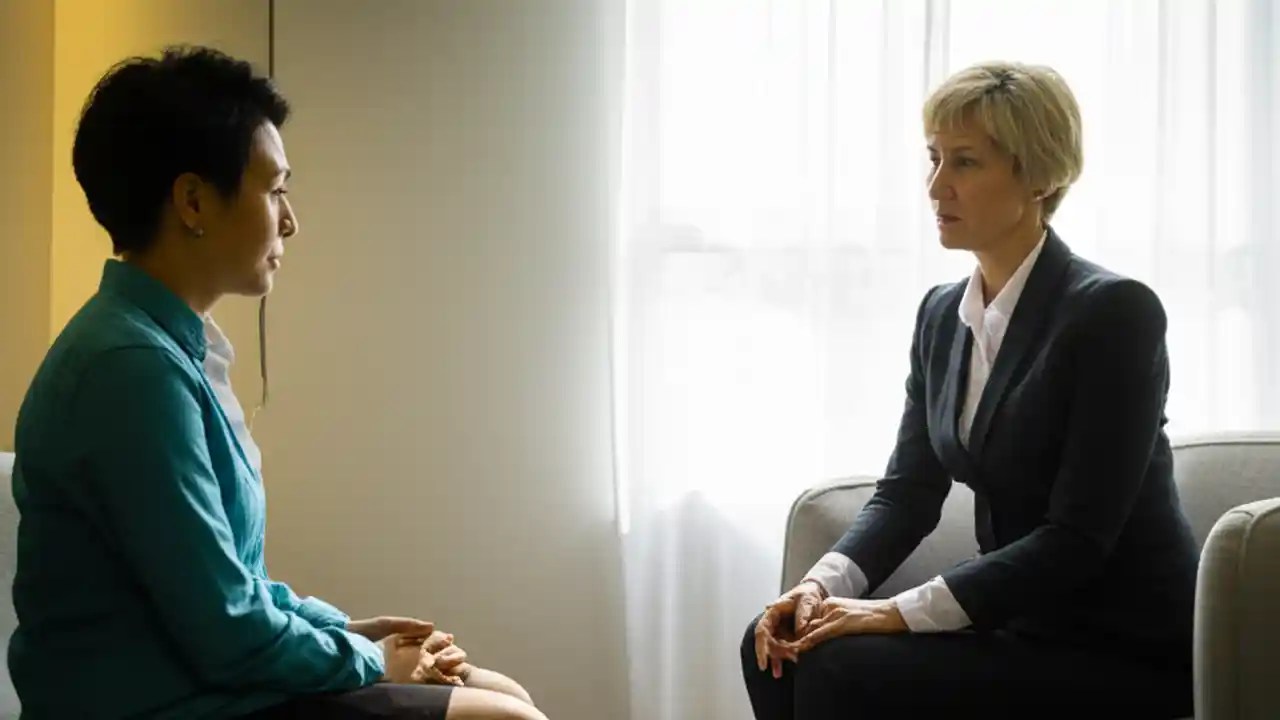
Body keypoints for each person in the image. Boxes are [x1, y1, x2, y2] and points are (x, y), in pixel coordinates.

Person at [9, 46, 546, 720]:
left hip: (202, 679)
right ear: (194, 201)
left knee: (498, 694)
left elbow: (231, 587)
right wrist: (376, 662)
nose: (290, 221)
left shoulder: (165, 349)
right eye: (275, 188)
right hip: (165, 705)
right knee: (506, 717)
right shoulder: (128, 368)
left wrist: (348, 631)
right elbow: (228, 628)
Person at [741, 60, 1198, 718]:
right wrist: (817, 587)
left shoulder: (1113, 313)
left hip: (1121, 647)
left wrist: (892, 615)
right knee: (775, 647)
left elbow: (1075, 538)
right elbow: (908, 494)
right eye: (932, 159)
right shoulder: (940, 315)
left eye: (964, 162)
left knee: (839, 667)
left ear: (1039, 175)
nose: (935, 187)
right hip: (1019, 629)